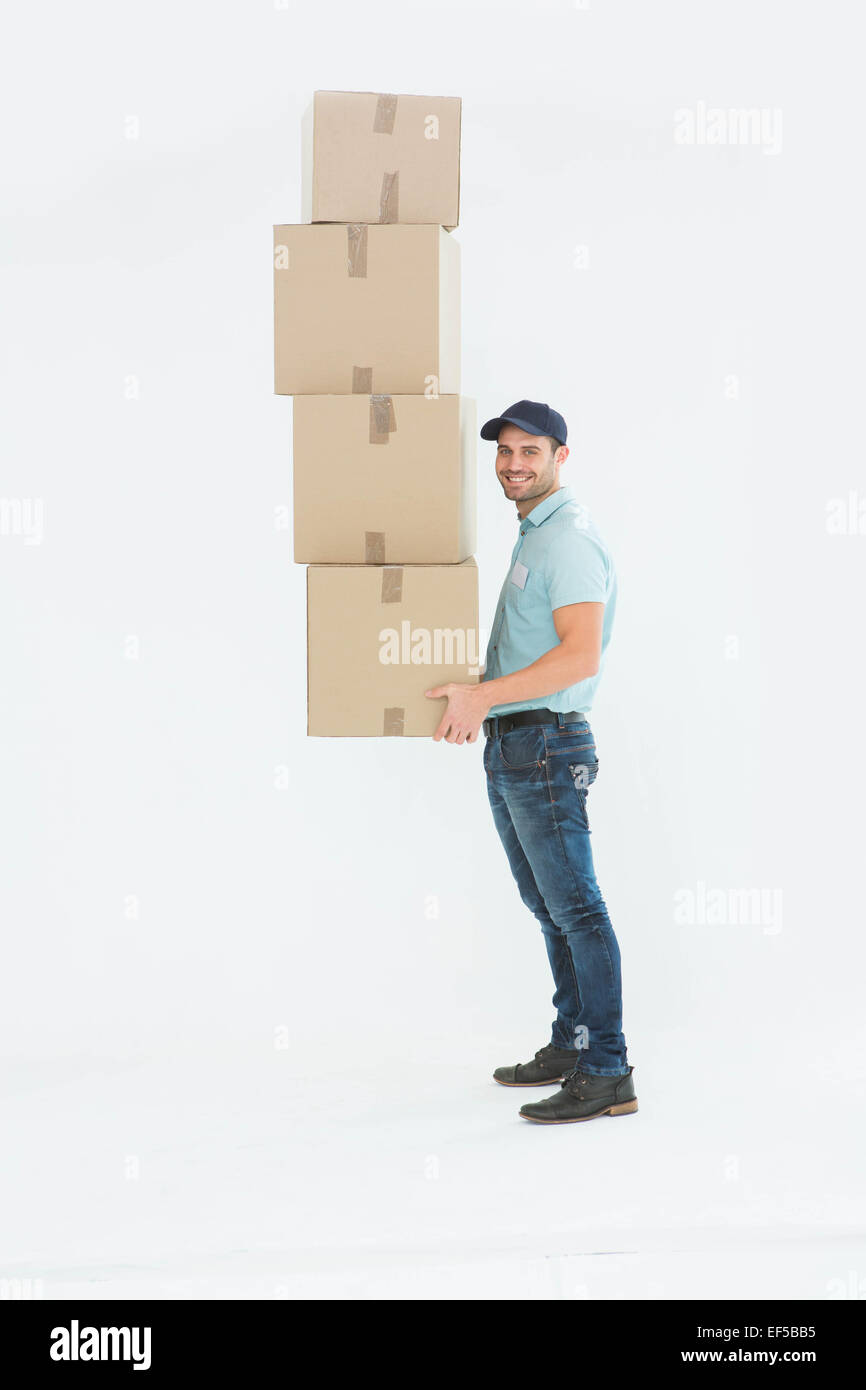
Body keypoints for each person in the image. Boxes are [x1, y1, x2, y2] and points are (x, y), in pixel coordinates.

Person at [425, 400, 637, 1125]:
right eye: (505, 452)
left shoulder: (568, 539)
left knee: (577, 907)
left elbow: (579, 654)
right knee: (550, 907)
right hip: (517, 742)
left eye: (531, 452)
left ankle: (607, 1069)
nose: (514, 464)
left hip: (545, 742)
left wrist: (482, 696)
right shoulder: (535, 533)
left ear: (561, 456)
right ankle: (573, 1042)